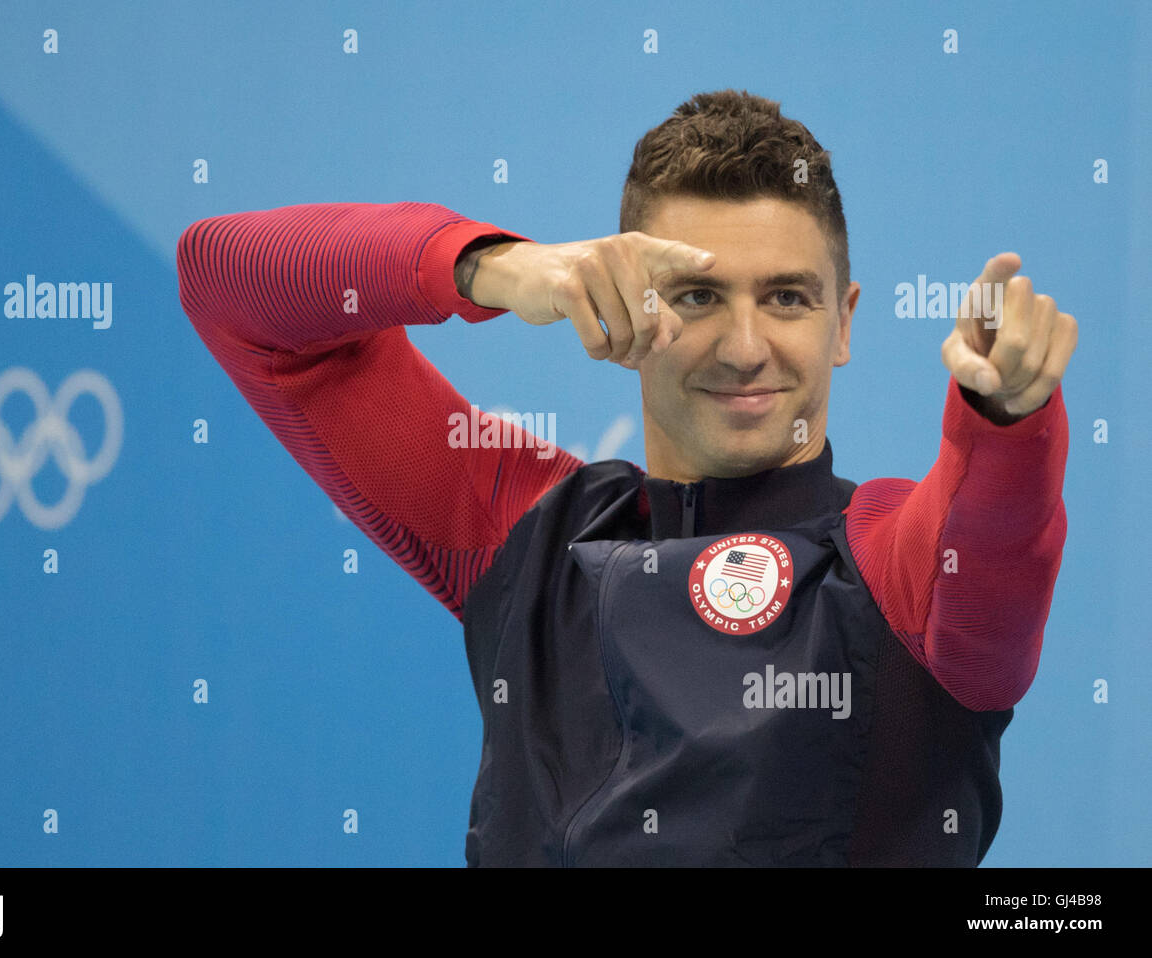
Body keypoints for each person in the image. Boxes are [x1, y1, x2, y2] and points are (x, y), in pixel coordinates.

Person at [175, 89, 1075, 866]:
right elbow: (224, 282)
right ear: (620, 303)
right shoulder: (524, 531)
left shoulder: (900, 573)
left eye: (786, 297)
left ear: (842, 324)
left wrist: (1006, 415)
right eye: (697, 296)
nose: (746, 346)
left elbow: (996, 534)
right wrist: (493, 266)